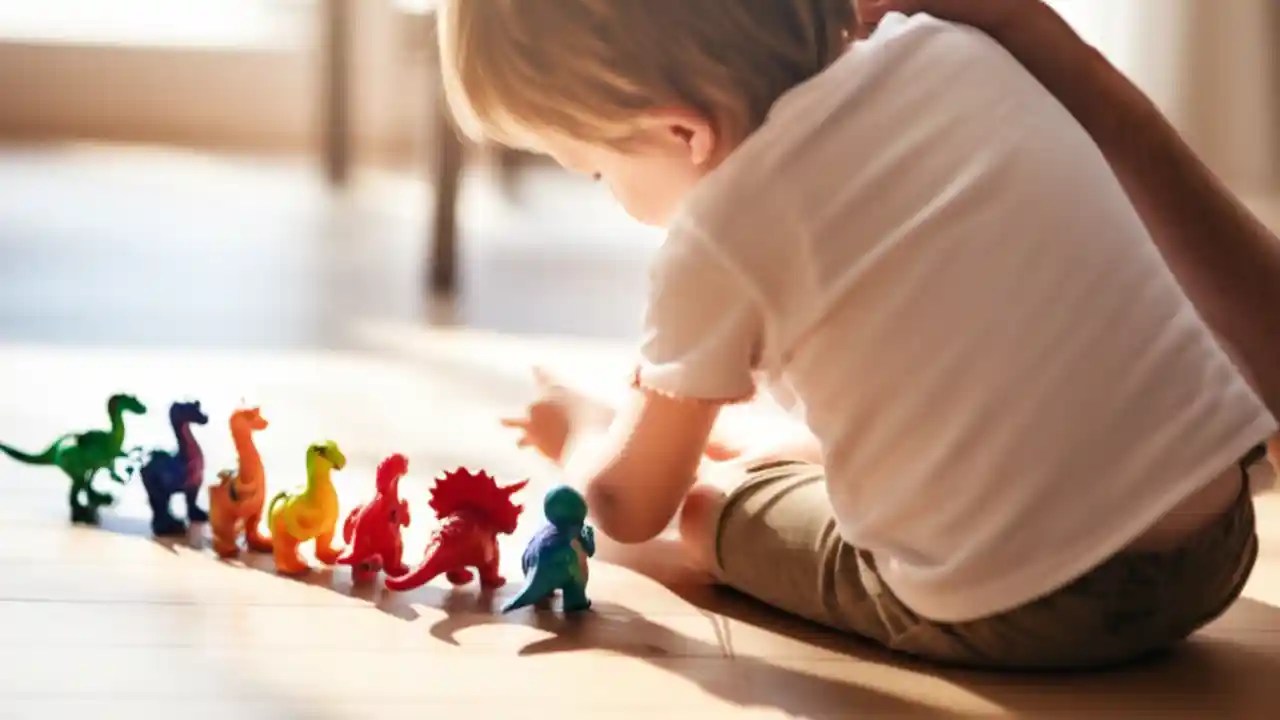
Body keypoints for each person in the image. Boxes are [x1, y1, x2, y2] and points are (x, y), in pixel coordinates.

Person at [454, 0, 1280, 669]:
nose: (610, 193)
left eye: (599, 170)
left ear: (682, 133)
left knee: (708, 512)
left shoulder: (718, 234)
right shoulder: (955, 49)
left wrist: (582, 431)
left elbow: (631, 506)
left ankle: (753, 464)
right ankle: (775, 450)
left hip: (1030, 609)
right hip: (1212, 533)